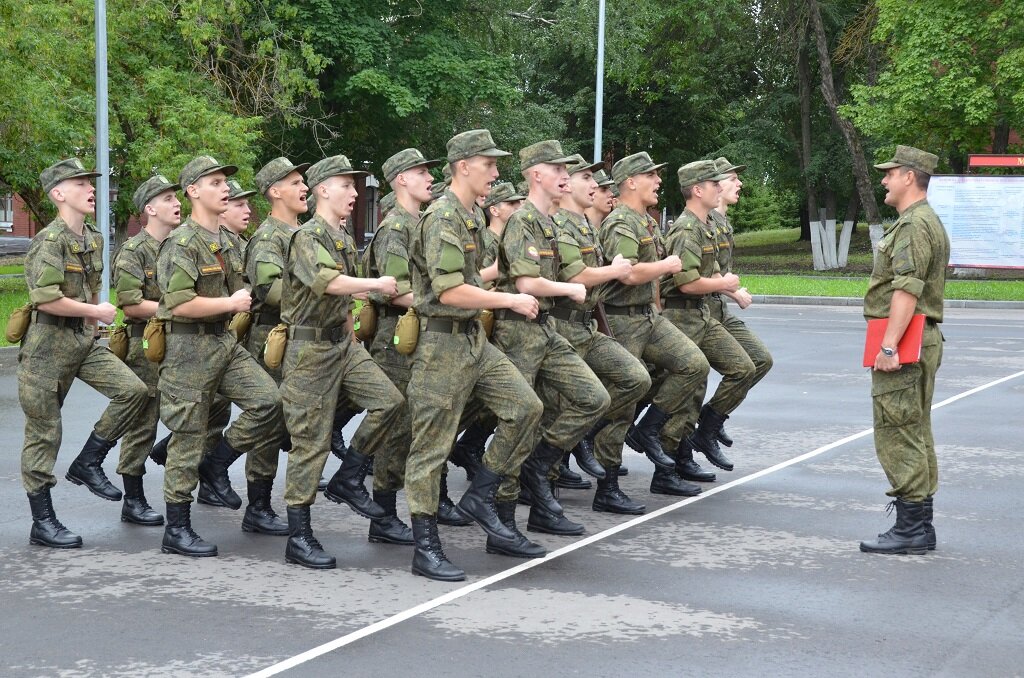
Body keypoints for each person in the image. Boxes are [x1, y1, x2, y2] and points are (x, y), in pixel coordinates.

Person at [405, 129, 544, 581]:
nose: (497, 172)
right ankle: (426, 547)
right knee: (431, 448)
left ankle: (481, 495)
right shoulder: (442, 216)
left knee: (525, 407)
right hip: (442, 343)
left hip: (471, 340)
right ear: (464, 166)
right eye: (489, 163)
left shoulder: (469, 218)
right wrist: (508, 301)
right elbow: (448, 292)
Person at [277, 154, 404, 569]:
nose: (354, 193)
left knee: (390, 401)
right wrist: (374, 283)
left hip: (343, 344)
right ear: (322, 190)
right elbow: (329, 283)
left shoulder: (342, 237)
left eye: (355, 186)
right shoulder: (307, 236)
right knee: (309, 444)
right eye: (346, 186)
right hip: (310, 352)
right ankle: (299, 535)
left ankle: (350, 477)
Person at [155, 155, 283, 557]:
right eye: (214, 182)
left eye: (225, 181)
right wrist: (229, 303)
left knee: (269, 402)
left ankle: (218, 462)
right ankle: (177, 528)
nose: (225, 187)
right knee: (188, 435)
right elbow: (177, 304)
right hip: (189, 348)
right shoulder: (181, 242)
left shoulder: (228, 242)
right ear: (192, 191)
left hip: (223, 343)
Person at [18, 158, 149, 548]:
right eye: (80, 184)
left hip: (82, 341)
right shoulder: (49, 240)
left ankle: (88, 461)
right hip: (45, 348)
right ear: (59, 194)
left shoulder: (93, 237)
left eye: (90, 183)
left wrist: (94, 324)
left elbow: (91, 289)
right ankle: (43, 521)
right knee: (45, 435)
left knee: (134, 391)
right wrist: (94, 311)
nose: (91, 189)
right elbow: (45, 299)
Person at [490, 140, 611, 539]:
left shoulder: (548, 223)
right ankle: (505, 521)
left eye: (567, 171)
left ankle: (538, 468)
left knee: (593, 398)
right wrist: (569, 289)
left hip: (544, 327)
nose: (566, 176)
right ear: (537, 175)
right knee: (522, 418)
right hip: (518, 331)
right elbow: (526, 281)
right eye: (558, 170)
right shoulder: (522, 220)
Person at [597, 152, 708, 513]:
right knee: (622, 402)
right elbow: (626, 273)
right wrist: (665, 265)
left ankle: (649, 429)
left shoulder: (645, 221)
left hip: (648, 316)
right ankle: (607, 484)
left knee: (694, 364)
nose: (659, 181)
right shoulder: (619, 223)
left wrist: (657, 306)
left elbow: (653, 278)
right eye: (651, 176)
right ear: (631, 181)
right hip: (622, 318)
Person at [361, 147, 455, 542]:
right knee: (398, 428)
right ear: (401, 179)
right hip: (397, 337)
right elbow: (395, 291)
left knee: (424, 423)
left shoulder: (422, 221)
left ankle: (430, 498)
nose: (429, 178)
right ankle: (381, 516)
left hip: (422, 334)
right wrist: (440, 299)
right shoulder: (396, 227)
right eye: (420, 172)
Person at [859, 145, 948, 555]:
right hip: (921, 337)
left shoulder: (913, 225)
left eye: (890, 173)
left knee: (898, 432)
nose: (884, 180)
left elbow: (906, 289)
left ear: (909, 176)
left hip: (907, 339)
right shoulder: (924, 221)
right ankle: (921, 525)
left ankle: (912, 526)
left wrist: (889, 346)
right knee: (915, 428)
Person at [549, 154, 650, 495]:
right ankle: (539, 482)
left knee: (634, 378)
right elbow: (577, 274)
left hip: (585, 327)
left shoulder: (584, 225)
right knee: (551, 410)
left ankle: (583, 443)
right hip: (559, 327)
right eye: (587, 179)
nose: (596, 185)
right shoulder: (559, 224)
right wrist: (616, 270)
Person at [657, 160, 755, 495]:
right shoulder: (687, 229)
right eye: (715, 183)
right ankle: (667, 464)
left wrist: (723, 285)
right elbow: (685, 283)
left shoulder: (708, 224)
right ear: (698, 190)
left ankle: (704, 431)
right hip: (683, 314)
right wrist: (724, 283)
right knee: (687, 389)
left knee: (743, 366)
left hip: (701, 312)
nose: (723, 186)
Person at [110, 174, 185, 528]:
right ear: (149, 209)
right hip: (146, 343)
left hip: (181, 342)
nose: (177, 203)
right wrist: (177, 309)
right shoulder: (134, 250)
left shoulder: (180, 244)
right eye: (168, 198)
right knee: (144, 422)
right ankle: (133, 498)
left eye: (177, 197)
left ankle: (172, 456)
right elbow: (130, 304)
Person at [700, 157, 774, 475]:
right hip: (702, 311)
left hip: (719, 309)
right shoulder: (703, 222)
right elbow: (704, 268)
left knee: (760, 360)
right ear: (715, 184)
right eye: (732, 178)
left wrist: (730, 291)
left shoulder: (722, 222)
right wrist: (734, 290)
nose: (739, 183)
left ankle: (710, 420)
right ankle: (697, 431)